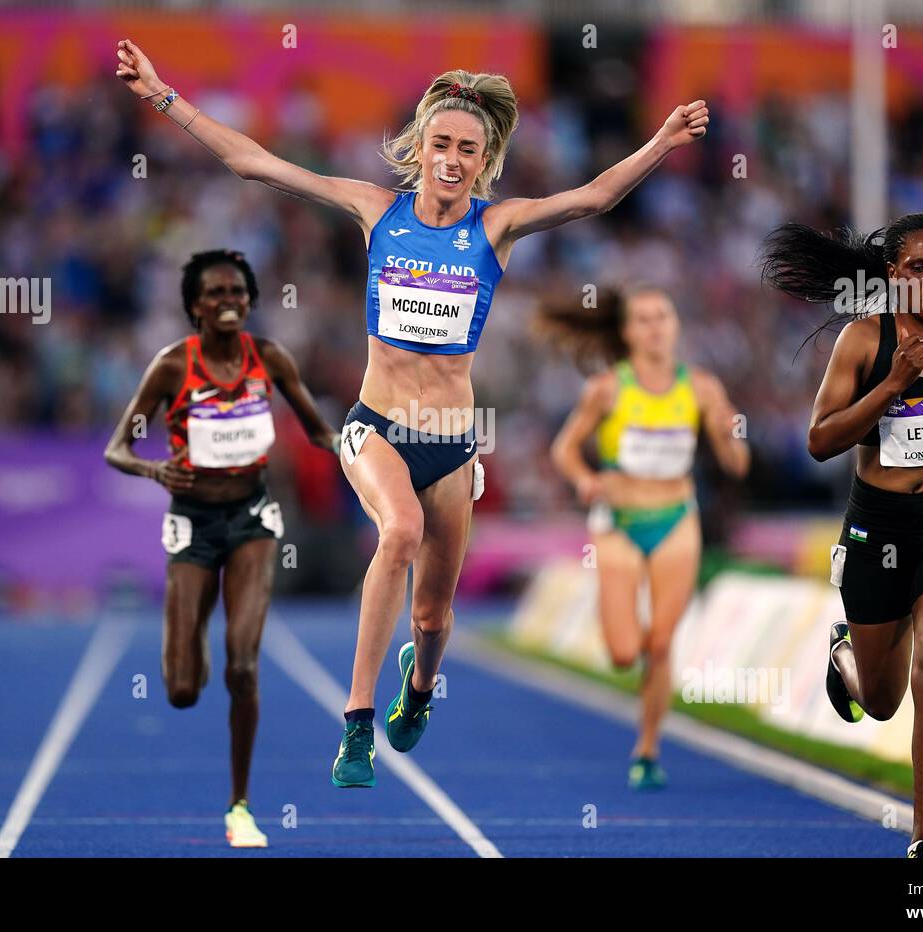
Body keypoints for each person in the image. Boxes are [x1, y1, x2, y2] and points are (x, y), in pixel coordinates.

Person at [115, 38, 710, 788]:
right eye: (441, 144)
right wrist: (164, 95)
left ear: (484, 159)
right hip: (375, 426)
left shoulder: (496, 227)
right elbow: (256, 163)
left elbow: (593, 197)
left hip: (454, 445)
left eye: (468, 148)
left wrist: (662, 139)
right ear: (419, 146)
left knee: (432, 618)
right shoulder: (377, 209)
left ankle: (418, 688)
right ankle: (357, 723)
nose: (453, 159)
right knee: (397, 531)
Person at [760, 214, 923, 857]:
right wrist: (895, 385)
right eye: (919, 267)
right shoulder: (862, 343)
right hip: (878, 528)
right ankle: (844, 655)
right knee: (880, 701)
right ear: (894, 275)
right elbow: (820, 441)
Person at [104, 249, 340, 845]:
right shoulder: (170, 368)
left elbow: (318, 430)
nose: (227, 301)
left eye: (237, 291)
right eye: (214, 293)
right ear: (193, 307)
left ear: (250, 299)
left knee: (242, 663)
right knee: (183, 690)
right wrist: (158, 472)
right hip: (191, 522)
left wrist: (363, 451)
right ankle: (191, 631)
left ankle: (240, 806)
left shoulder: (272, 360)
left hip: (253, 519)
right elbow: (118, 449)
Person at [545, 286, 748, 789]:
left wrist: (729, 433)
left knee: (660, 643)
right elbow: (563, 449)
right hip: (618, 523)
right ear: (627, 332)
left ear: (676, 325)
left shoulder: (702, 388)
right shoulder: (608, 388)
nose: (655, 326)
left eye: (663, 316)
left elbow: (737, 466)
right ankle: (627, 653)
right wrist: (583, 479)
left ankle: (648, 749)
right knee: (622, 653)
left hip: (677, 519)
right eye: (644, 319)